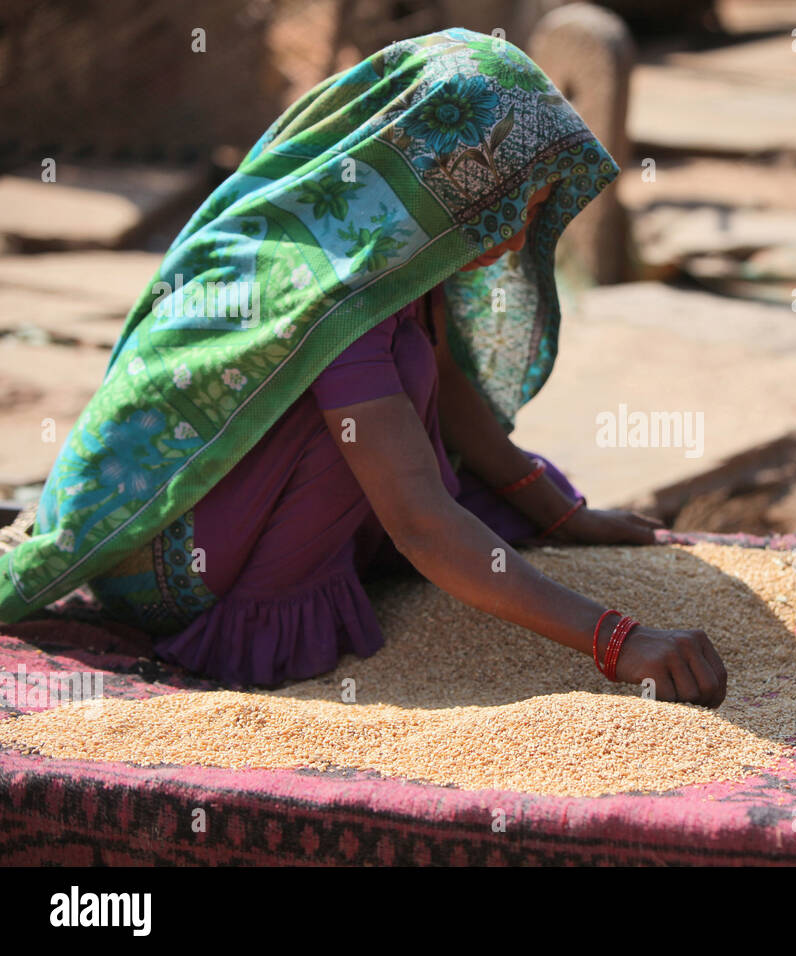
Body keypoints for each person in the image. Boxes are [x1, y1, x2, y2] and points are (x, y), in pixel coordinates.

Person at [0, 29, 726, 706]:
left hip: (224, 513)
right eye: (512, 209)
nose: (514, 242)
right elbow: (420, 522)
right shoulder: (332, 293)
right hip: (166, 562)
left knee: (406, 386)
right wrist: (619, 642)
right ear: (452, 182)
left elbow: (451, 387)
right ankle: (264, 622)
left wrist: (564, 516)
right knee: (375, 415)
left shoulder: (391, 249)